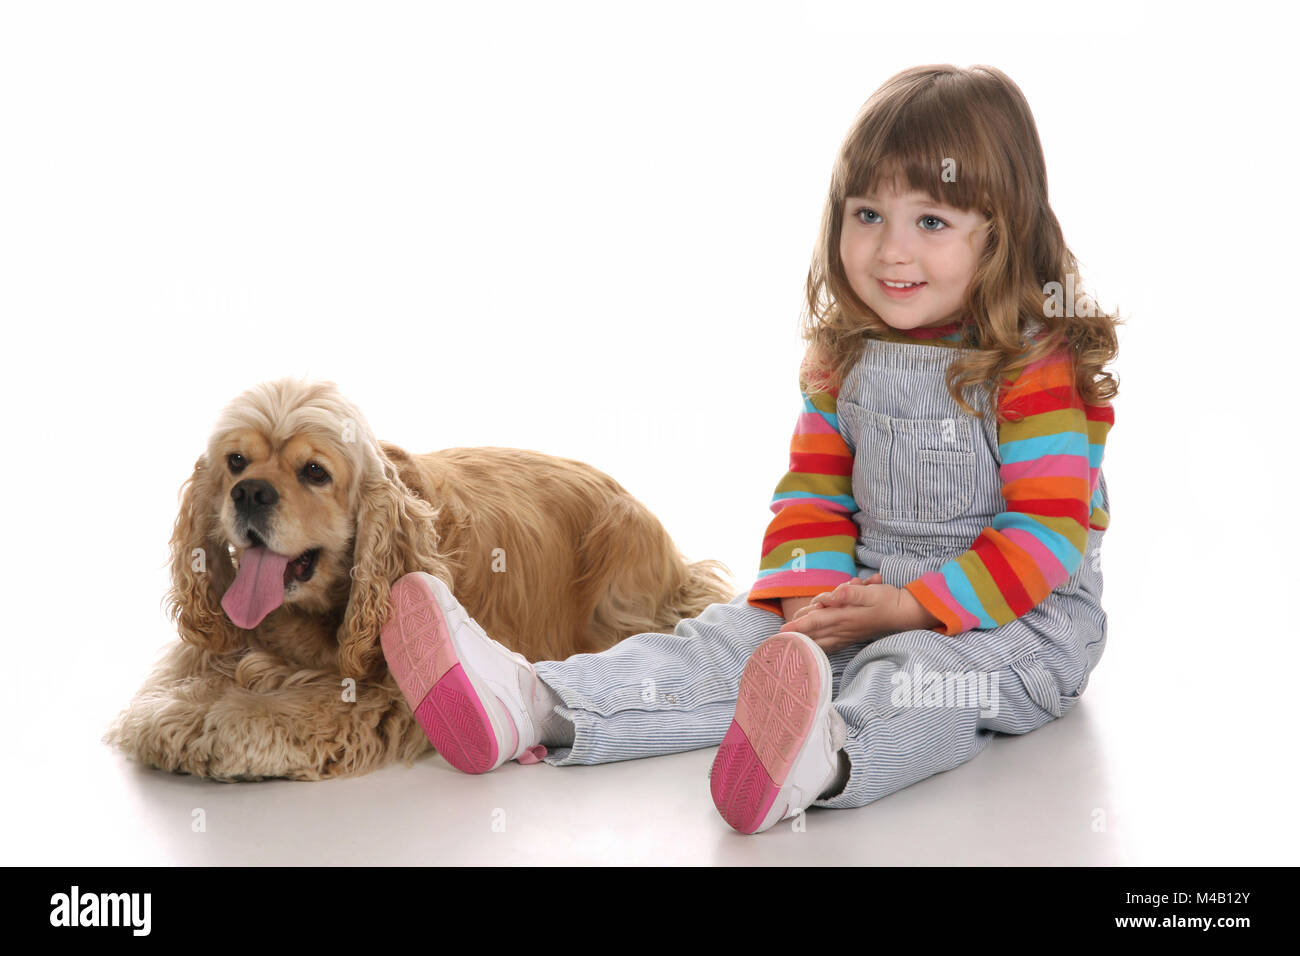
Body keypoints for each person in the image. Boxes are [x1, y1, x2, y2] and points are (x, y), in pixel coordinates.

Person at [379, 63, 1121, 835]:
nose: (891, 252)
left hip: (1017, 626)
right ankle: (535, 705)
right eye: (868, 215)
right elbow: (813, 497)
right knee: (730, 639)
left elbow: (1048, 532)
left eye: (931, 222)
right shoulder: (847, 354)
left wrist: (912, 609)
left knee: (921, 679)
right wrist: (809, 599)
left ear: (1003, 234)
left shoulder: (1034, 364)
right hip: (860, 593)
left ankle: (821, 754)